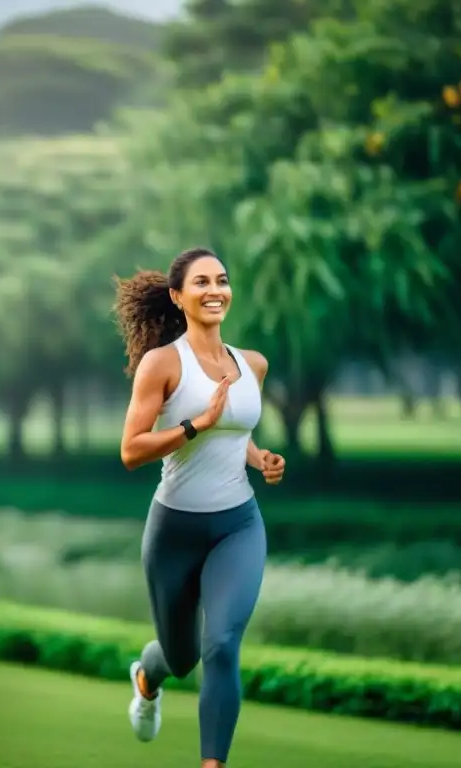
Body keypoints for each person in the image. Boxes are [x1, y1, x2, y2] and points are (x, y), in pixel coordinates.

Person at [113, 247, 286, 768]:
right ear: (178, 297)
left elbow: (237, 435)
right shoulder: (163, 363)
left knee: (223, 644)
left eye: (223, 280)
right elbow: (130, 450)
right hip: (174, 532)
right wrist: (194, 426)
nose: (215, 290)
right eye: (202, 282)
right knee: (182, 657)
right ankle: (148, 675)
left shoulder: (252, 363)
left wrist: (260, 459)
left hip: (238, 525)